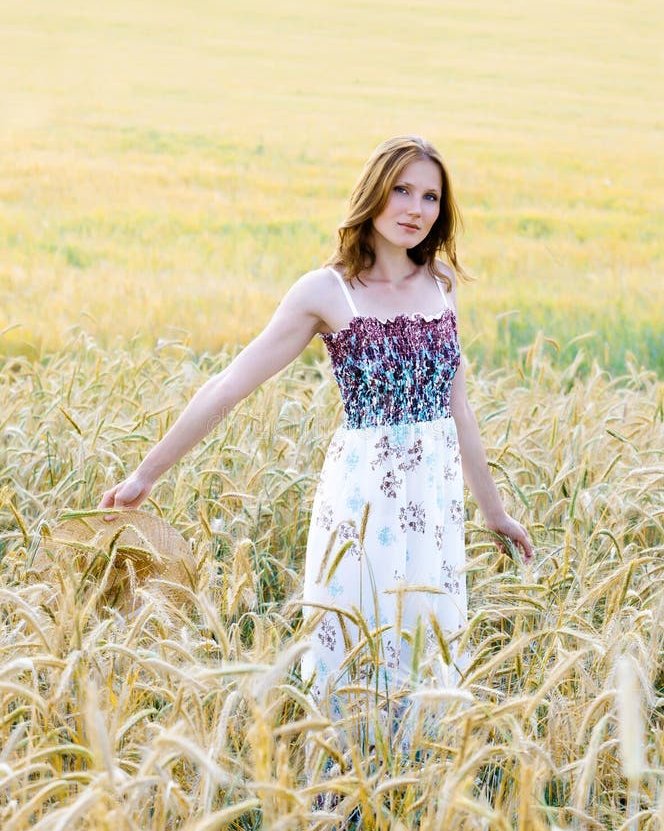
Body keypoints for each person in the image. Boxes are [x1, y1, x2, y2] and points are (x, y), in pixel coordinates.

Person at [101, 135, 533, 741]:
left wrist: (493, 512)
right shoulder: (326, 292)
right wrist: (145, 475)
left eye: (431, 196)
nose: (415, 208)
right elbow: (231, 384)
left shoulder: (440, 284)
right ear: (374, 193)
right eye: (402, 190)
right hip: (363, 502)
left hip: (433, 506)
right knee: (356, 644)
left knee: (424, 650)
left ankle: (415, 805)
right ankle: (337, 801)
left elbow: (458, 406)